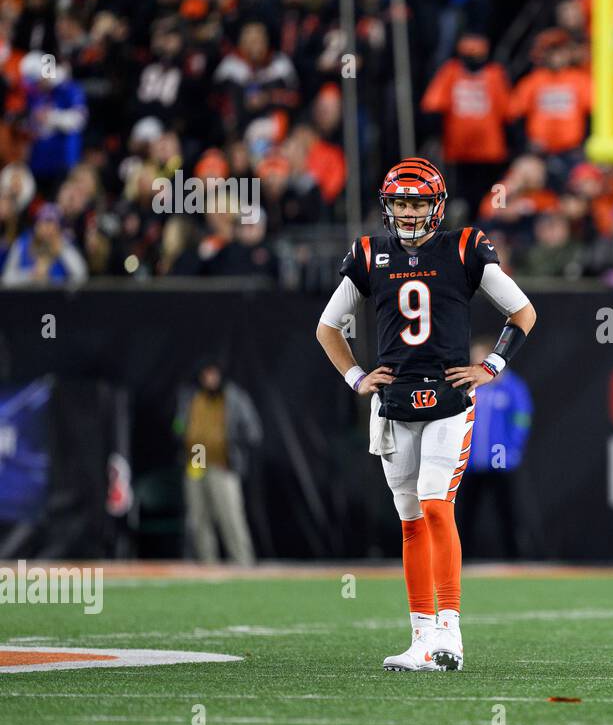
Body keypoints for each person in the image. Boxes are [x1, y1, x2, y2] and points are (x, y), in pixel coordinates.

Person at [315, 157, 537, 672]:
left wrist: (491, 366)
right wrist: (356, 377)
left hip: (448, 400)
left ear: (436, 204)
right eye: (400, 202)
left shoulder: (465, 247)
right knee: (411, 519)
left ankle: (450, 632)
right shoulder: (370, 253)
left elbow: (522, 312)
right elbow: (328, 327)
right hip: (392, 404)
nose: (409, 211)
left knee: (437, 505)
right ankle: (419, 637)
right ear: (387, 205)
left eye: (417, 201)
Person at [174, 361, 262, 566]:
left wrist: (232, 446)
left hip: (222, 464)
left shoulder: (234, 398)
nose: (209, 378)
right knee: (197, 518)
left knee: (230, 517)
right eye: (206, 374)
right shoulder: (191, 397)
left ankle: (243, 563)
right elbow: (178, 424)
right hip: (196, 462)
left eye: (213, 374)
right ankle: (207, 565)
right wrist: (179, 431)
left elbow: (253, 432)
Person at [458, 336, 539, 558]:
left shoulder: (511, 386)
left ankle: (516, 560)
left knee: (509, 513)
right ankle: (460, 561)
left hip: (502, 461)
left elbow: (522, 418)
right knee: (465, 514)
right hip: (472, 462)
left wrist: (513, 449)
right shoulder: (469, 388)